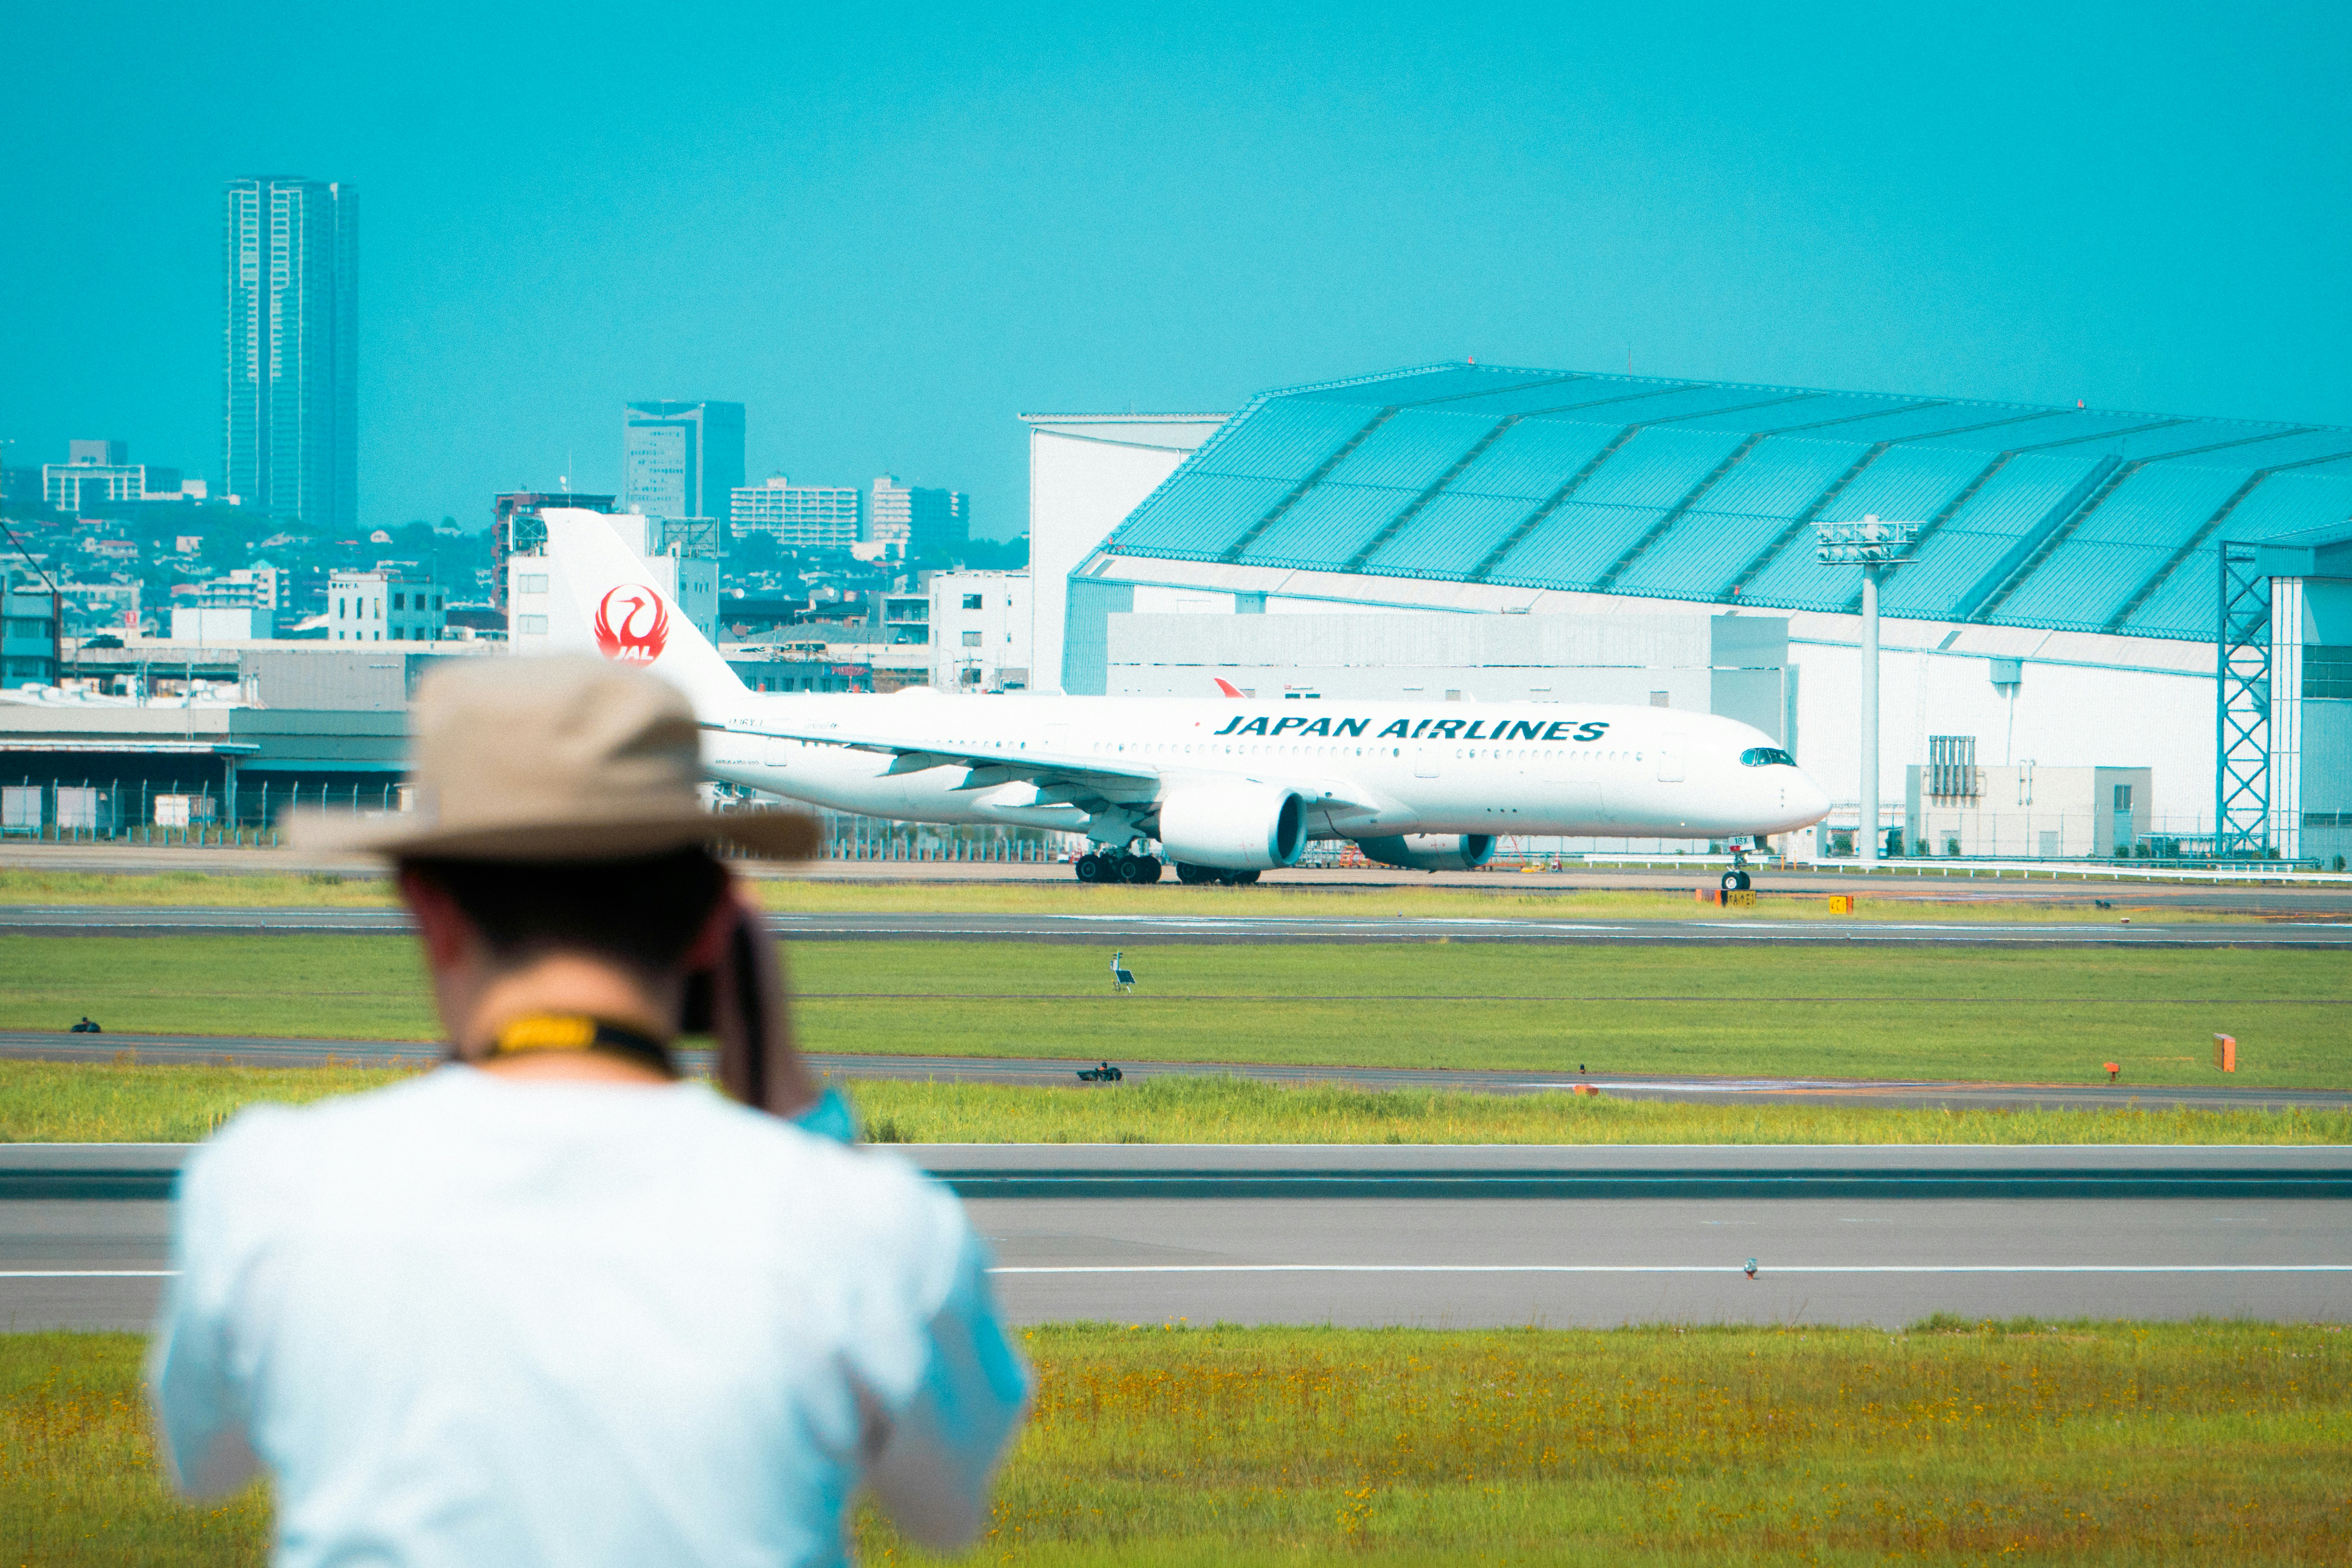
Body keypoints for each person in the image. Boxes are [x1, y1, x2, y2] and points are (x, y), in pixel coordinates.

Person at [148, 656, 1029, 1567]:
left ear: (427, 905)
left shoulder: (272, 1188)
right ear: (714, 924)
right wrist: (797, 1114)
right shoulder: (871, 1226)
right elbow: (946, 1505)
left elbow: (203, 1465)